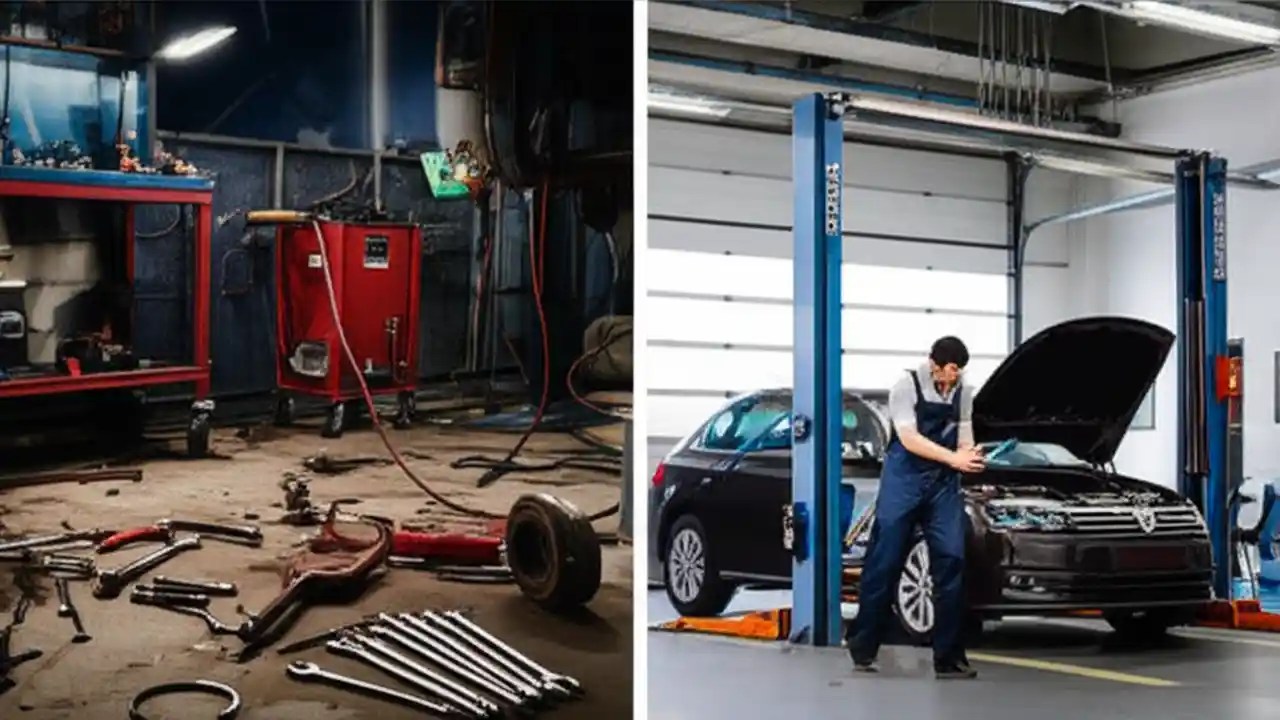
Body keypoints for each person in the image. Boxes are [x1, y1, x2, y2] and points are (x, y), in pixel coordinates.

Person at [847, 336, 985, 680]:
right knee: (885, 559)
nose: (952, 378)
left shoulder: (963, 392)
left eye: (958, 372)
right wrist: (954, 457)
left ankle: (950, 658)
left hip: (942, 485)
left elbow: (964, 432)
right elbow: (909, 438)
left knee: (951, 559)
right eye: (949, 370)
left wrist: (968, 455)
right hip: (903, 482)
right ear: (934, 362)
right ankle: (863, 645)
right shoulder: (905, 387)